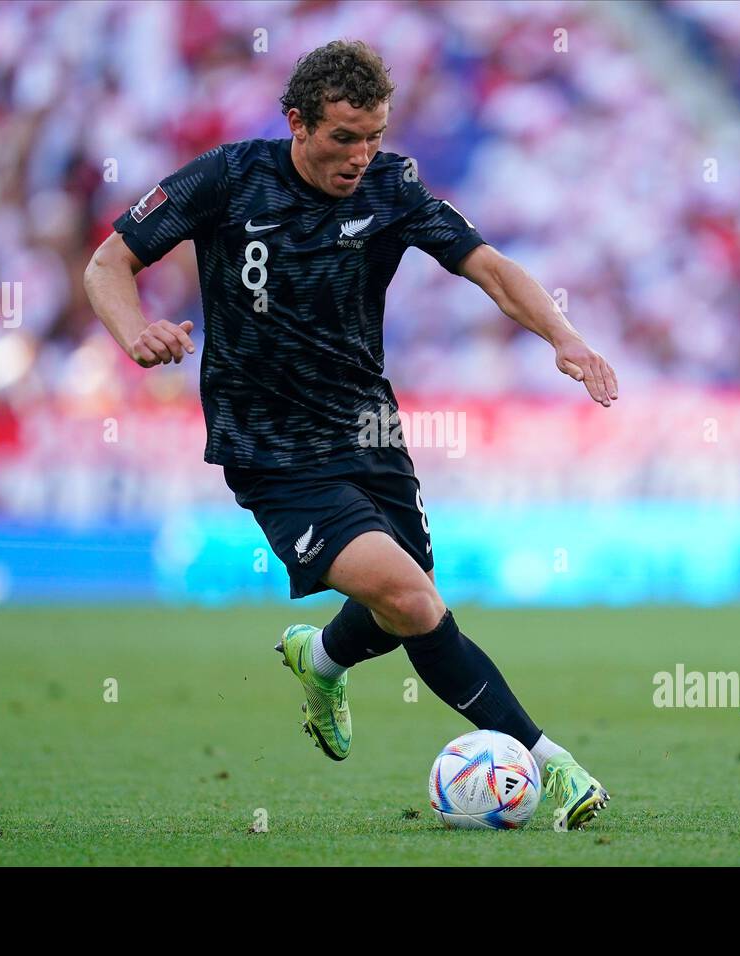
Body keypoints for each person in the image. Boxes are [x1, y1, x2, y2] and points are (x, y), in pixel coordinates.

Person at [84, 40, 618, 828]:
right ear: (296, 123)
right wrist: (135, 335)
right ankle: (554, 765)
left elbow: (490, 267)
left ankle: (321, 658)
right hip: (269, 445)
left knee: (410, 603)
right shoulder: (226, 180)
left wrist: (563, 338)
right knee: (411, 597)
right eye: (342, 137)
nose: (360, 156)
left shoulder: (394, 188)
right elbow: (108, 264)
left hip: (369, 433)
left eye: (372, 136)